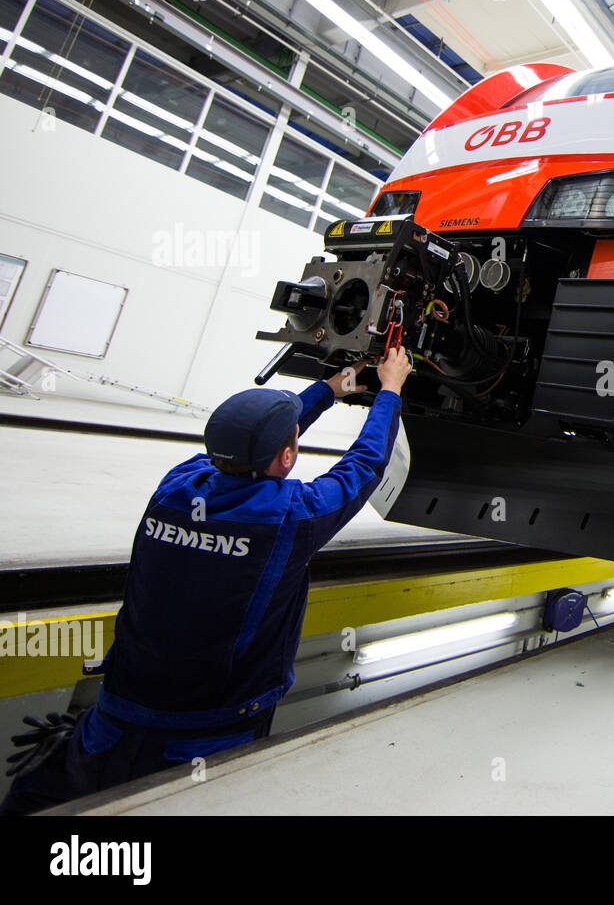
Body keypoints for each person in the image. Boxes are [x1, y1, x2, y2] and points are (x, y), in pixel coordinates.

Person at [0, 348, 413, 815]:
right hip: (207, 741)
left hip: (107, 726)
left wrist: (328, 391)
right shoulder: (289, 517)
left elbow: (252, 436)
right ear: (287, 455)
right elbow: (362, 467)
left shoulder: (177, 485)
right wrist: (391, 389)